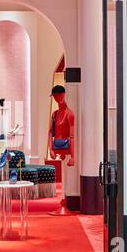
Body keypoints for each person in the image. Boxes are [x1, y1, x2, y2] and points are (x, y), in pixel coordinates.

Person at [48, 85, 76, 215]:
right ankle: (62, 202)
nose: (56, 99)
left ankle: (65, 201)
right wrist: (50, 148)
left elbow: (72, 135)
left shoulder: (69, 114)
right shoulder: (54, 114)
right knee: (62, 175)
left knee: (66, 177)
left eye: (57, 96)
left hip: (66, 148)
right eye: (54, 97)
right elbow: (50, 132)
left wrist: (73, 156)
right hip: (57, 147)